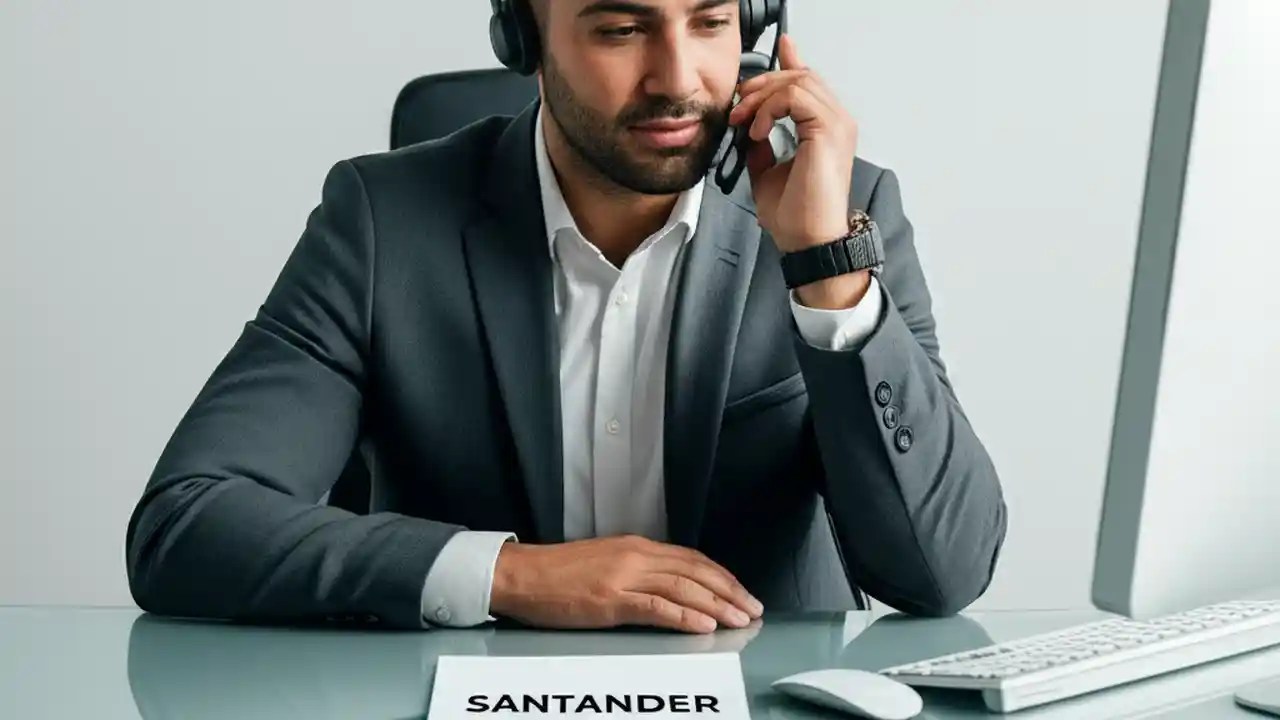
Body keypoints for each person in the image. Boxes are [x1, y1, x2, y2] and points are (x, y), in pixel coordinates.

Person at [124, 0, 1007, 634]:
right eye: (622, 28)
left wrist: (824, 266)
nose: (677, 79)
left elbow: (943, 575)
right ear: (525, 36)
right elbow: (189, 523)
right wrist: (510, 575)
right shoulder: (384, 221)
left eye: (709, 23)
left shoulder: (843, 210)